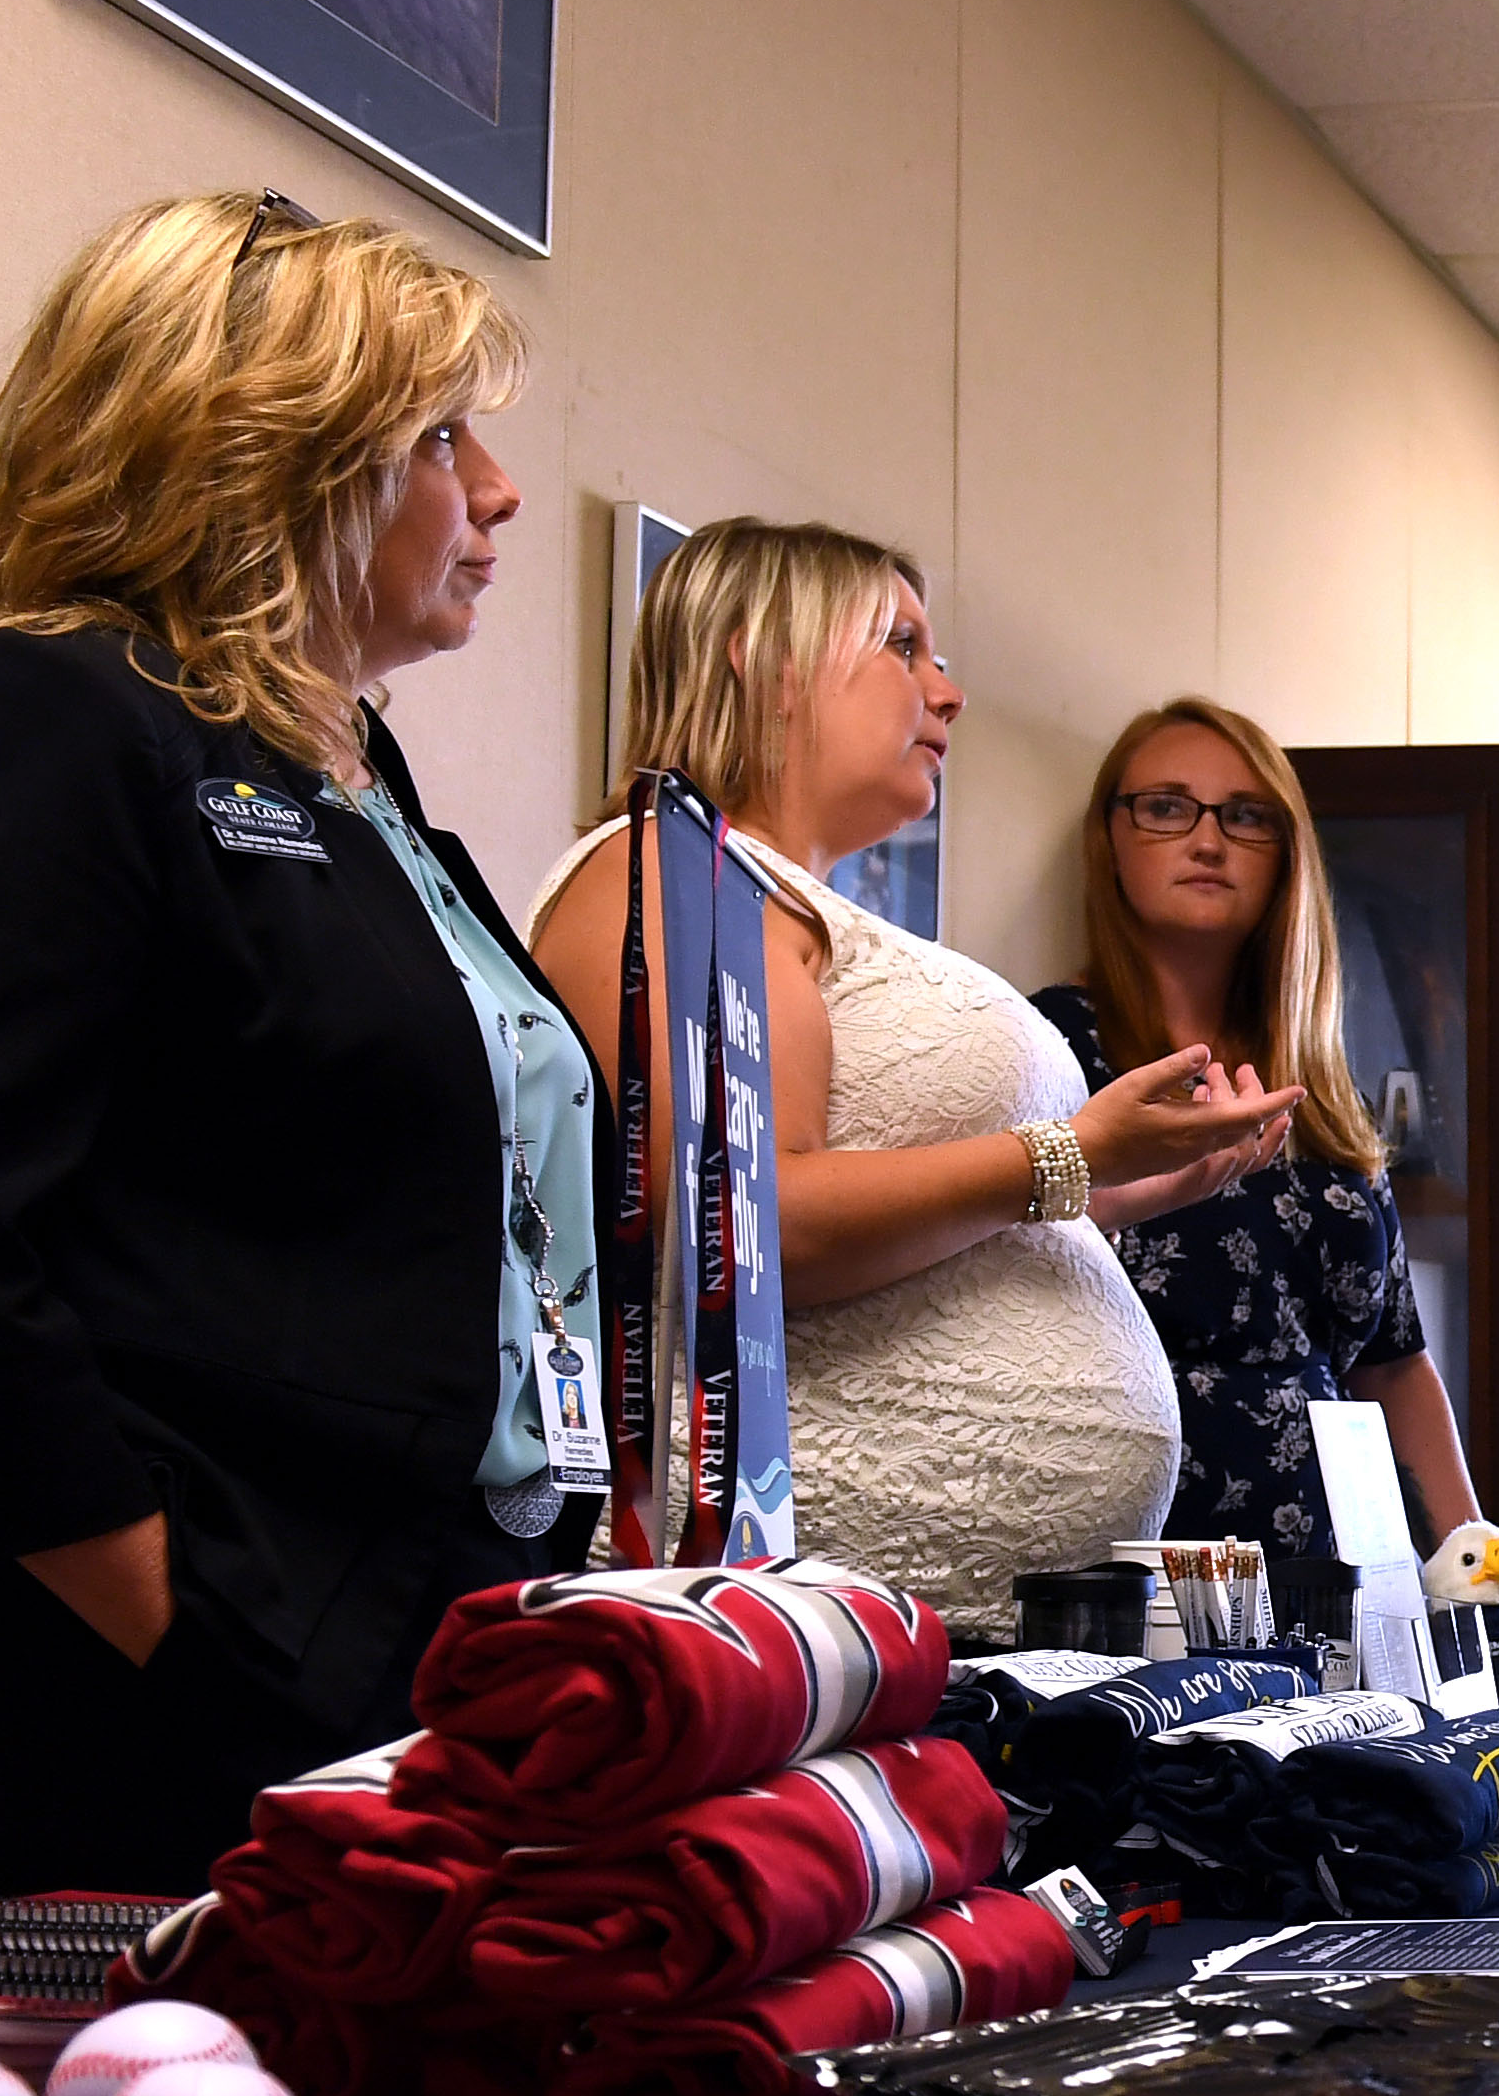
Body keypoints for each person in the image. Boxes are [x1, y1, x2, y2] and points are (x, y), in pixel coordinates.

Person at [0, 189, 588, 1892]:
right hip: (174, 1688)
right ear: (271, 451)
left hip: (411, 1650)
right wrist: (206, 1633)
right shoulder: (48, 710)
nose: (498, 490)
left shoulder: (345, 770)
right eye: (442, 437)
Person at [523, 524, 1296, 1635]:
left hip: (948, 1638)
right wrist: (1066, 1157)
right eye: (902, 647)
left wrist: (1117, 1186)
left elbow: (924, 1215)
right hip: (787, 1622)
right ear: (762, 660)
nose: (949, 694)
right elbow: (744, 1228)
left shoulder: (787, 899)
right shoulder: (671, 875)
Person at [1031, 700, 1499, 1621]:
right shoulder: (1048, 1051)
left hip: (1345, 1577)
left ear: (1286, 853)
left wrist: (1479, 1582)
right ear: (1111, 838)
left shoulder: (1320, 1086)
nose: (1208, 839)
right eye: (1168, 806)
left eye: (1246, 814)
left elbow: (1393, 1361)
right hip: (1138, 1575)